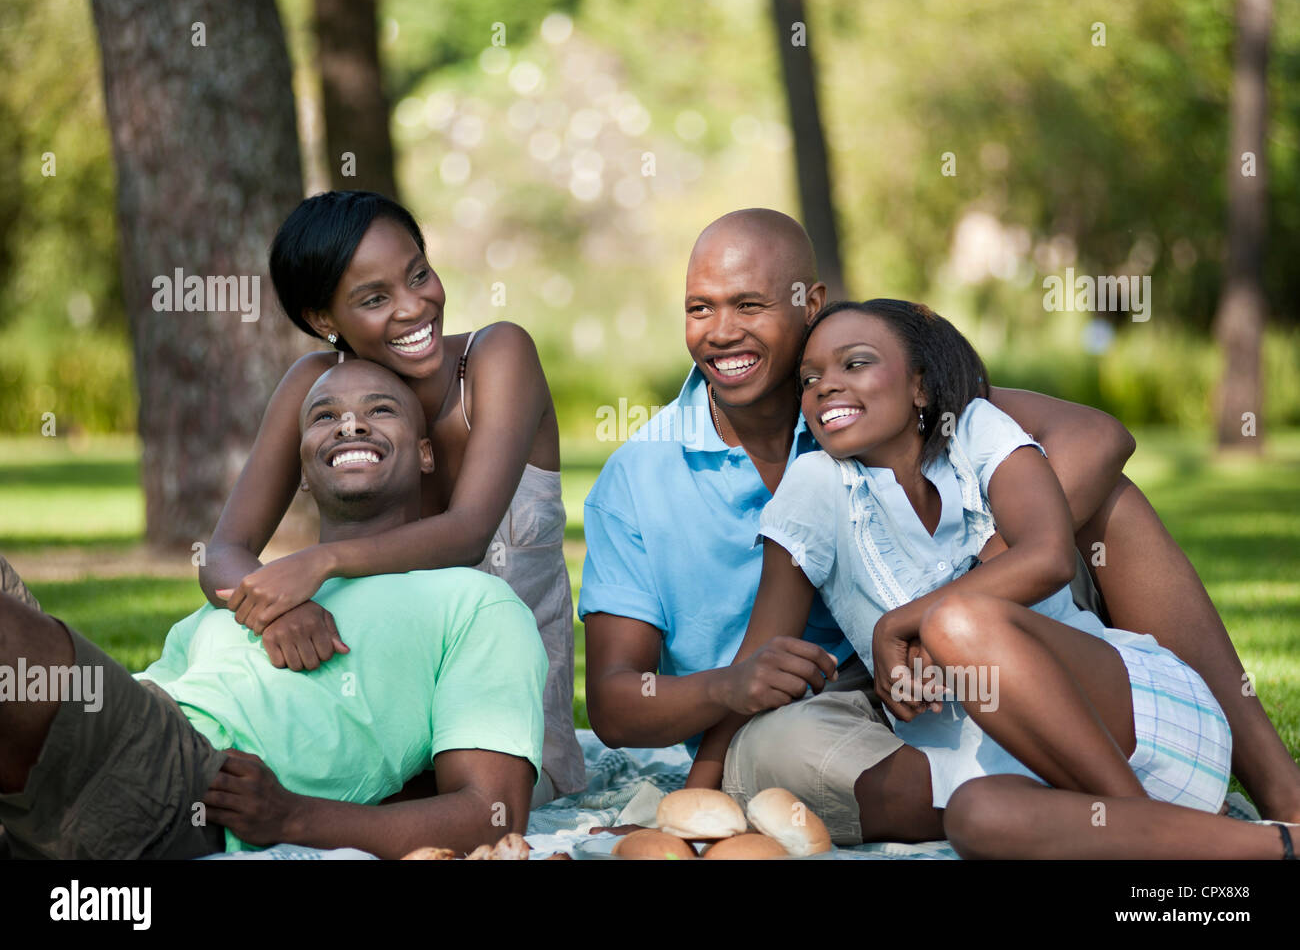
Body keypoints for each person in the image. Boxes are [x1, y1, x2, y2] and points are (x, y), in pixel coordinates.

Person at [580, 208, 1300, 847]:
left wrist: (962, 591)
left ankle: (1272, 790)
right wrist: (694, 785)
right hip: (870, 713)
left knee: (1111, 505)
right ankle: (1130, 829)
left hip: (1014, 652)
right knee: (802, 761)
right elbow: (652, 688)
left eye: (749, 304)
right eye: (699, 307)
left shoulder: (899, 400)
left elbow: (1099, 441)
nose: (722, 330)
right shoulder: (649, 477)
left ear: (811, 304)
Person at [0, 360, 546, 859]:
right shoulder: (254, 593)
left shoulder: (476, 605)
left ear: (426, 454)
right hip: (102, 744)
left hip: (192, 781)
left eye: (380, 410)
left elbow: (491, 814)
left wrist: (295, 816)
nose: (351, 425)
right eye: (324, 415)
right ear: (302, 471)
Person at [199, 191, 584, 805]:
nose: (414, 306)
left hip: (497, 727)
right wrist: (279, 608)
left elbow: (466, 534)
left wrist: (319, 563)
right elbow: (223, 551)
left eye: (419, 275)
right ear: (324, 318)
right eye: (375, 299)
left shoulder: (497, 357)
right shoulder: (312, 387)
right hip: (366, 708)